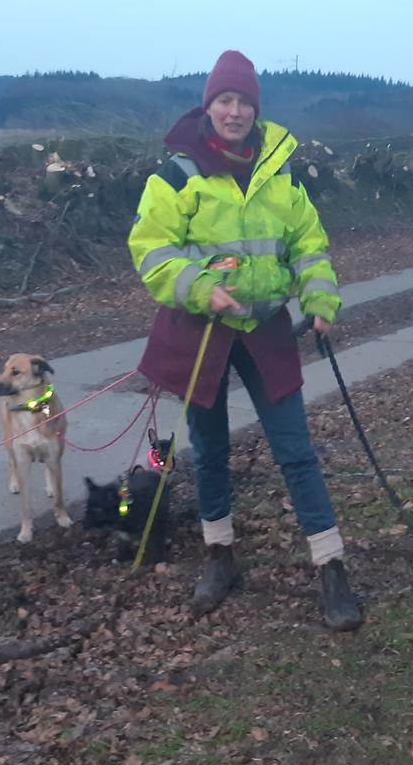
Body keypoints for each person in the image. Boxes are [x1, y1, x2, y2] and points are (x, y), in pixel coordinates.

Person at [128, 49, 363, 631]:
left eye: (244, 102)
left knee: (296, 450)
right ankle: (219, 556)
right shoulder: (177, 174)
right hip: (200, 331)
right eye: (224, 100)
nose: (234, 111)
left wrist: (321, 300)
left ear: (256, 110)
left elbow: (309, 246)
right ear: (208, 106)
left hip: (264, 329)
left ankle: (331, 567)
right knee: (208, 452)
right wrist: (200, 286)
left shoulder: (280, 175)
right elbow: (151, 249)